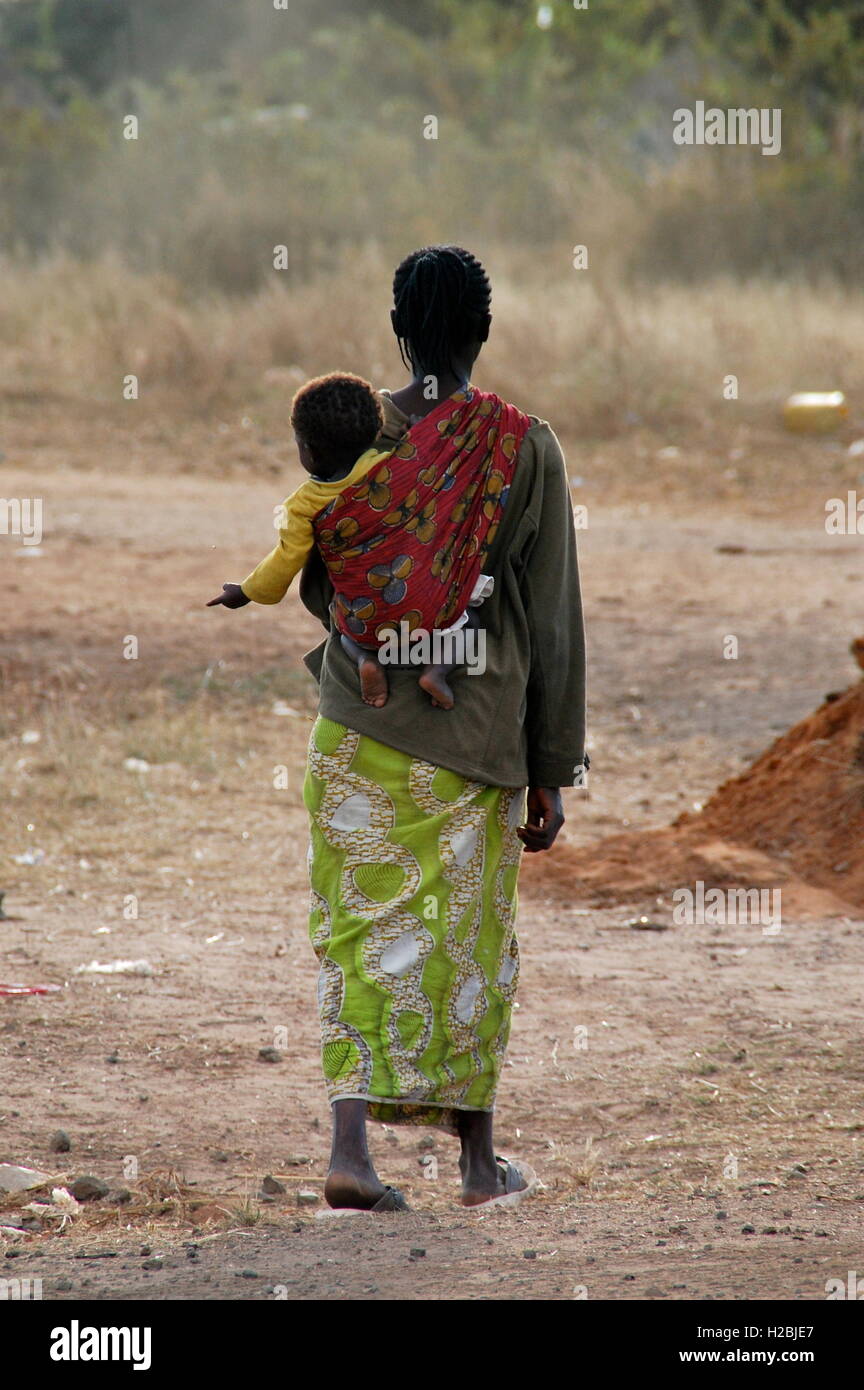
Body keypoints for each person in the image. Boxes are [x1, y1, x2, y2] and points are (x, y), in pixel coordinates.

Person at [297, 245, 589, 1211]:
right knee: (469, 946)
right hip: (473, 739)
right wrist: (552, 767)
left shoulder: (352, 436)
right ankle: (475, 1167)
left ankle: (352, 1152)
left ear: (398, 333)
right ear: (484, 333)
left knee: (358, 935)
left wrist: (384, 626)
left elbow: (319, 576)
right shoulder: (523, 447)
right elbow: (550, 619)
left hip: (355, 726)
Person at [206, 372, 497, 710]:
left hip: (366, 621)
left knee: (339, 622)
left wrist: (245, 591)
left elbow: (285, 561)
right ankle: (437, 671)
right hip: (428, 606)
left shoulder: (302, 505)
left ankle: (365, 661)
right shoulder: (397, 465)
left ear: (308, 450)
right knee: (472, 622)